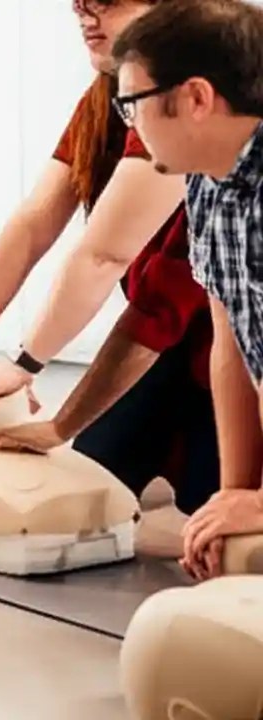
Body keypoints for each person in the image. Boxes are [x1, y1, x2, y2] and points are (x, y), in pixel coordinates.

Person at [0, 0, 222, 519]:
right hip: (171, 347)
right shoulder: (111, 99)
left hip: (212, 352)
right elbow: (34, 222)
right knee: (92, 474)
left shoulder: (182, 111)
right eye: (78, 3)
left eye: (106, 2)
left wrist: (25, 367)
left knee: (215, 516)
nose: (84, 14)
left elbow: (107, 259)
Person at [109, 0, 263, 580]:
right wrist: (235, 493)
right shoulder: (204, 182)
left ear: (196, 97)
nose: (130, 124)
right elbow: (233, 345)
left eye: (134, 103)